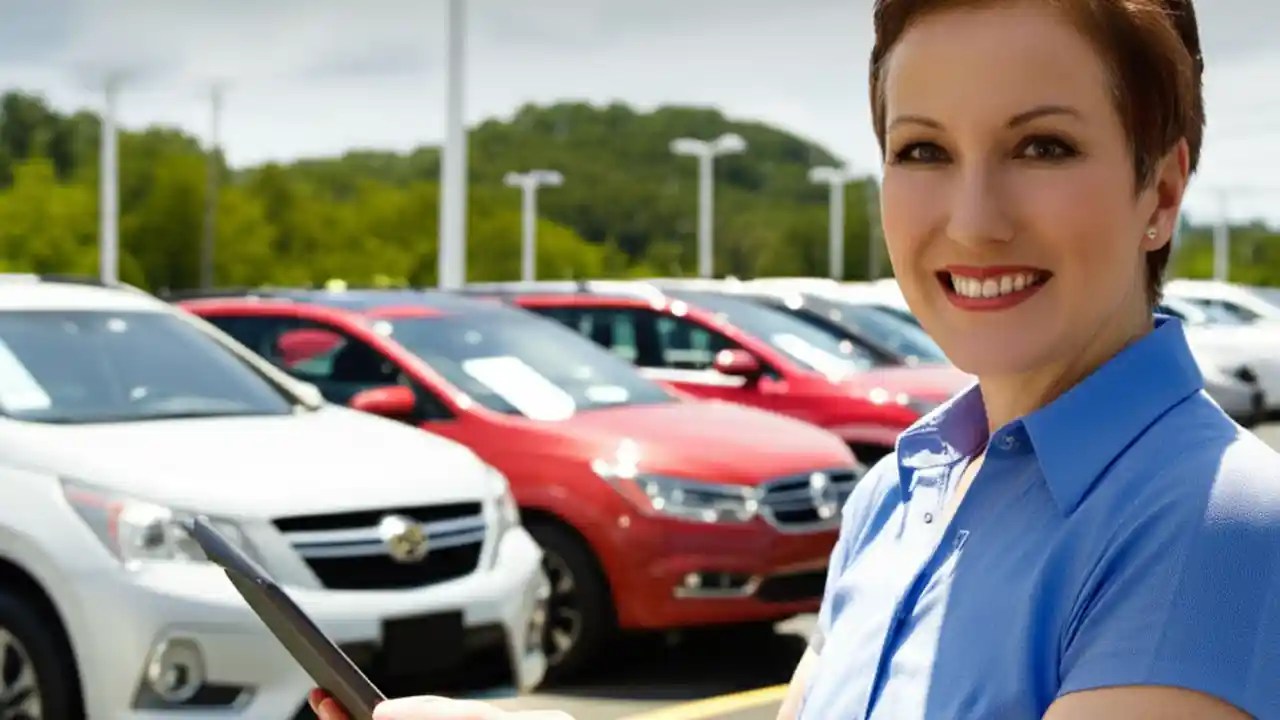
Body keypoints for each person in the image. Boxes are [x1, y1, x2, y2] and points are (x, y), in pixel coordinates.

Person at [312, 0, 1280, 718]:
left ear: (1158, 190)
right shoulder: (899, 493)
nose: (972, 220)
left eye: (1040, 146)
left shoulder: (1215, 520)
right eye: (921, 151)